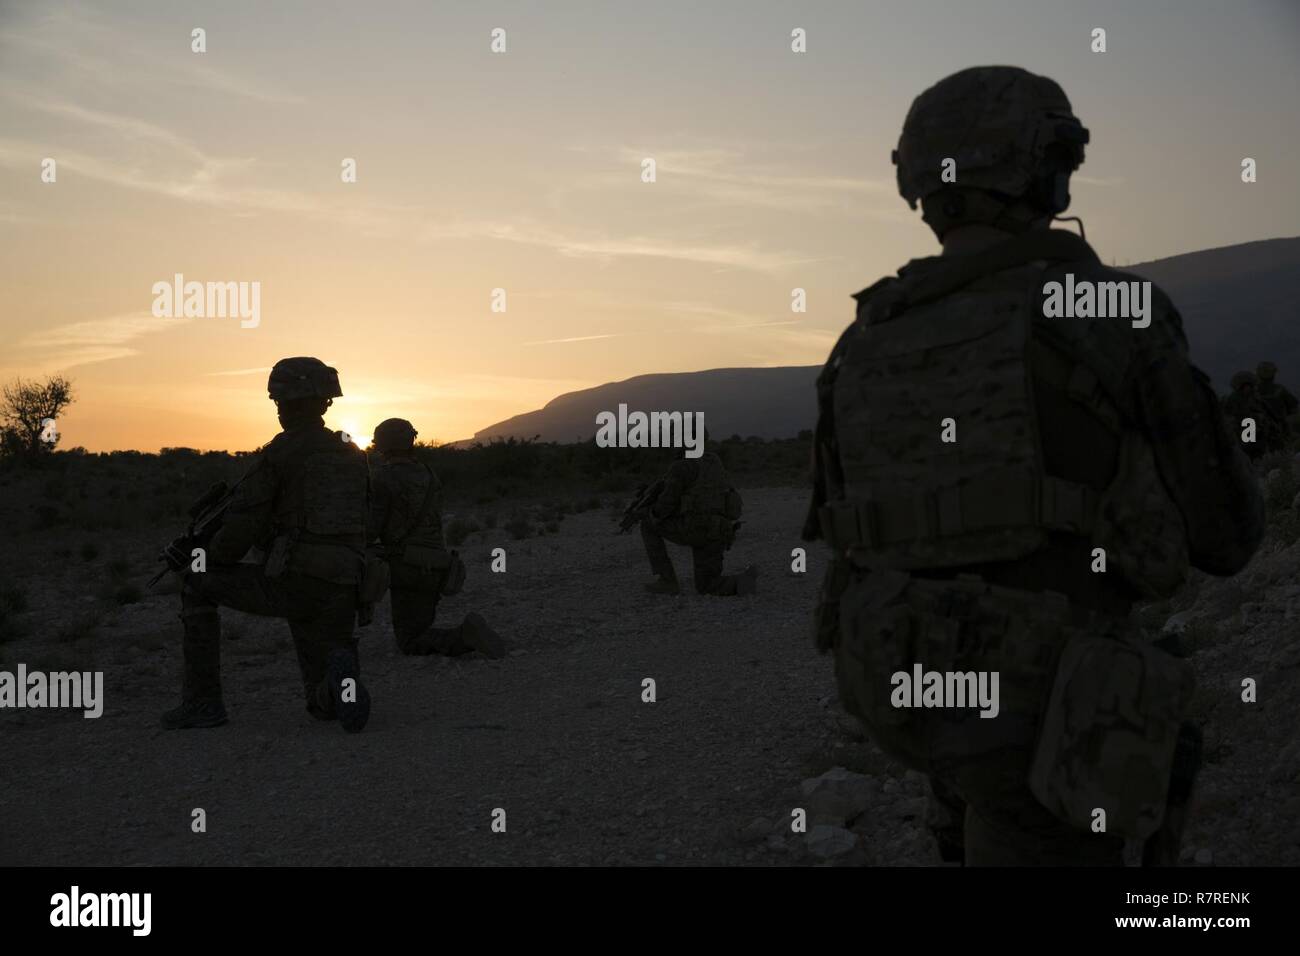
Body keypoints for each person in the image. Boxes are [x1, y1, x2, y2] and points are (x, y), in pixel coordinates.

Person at [804, 66, 1264, 865]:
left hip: (895, 681)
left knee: (985, 800)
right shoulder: (1107, 310)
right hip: (1046, 693)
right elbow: (1226, 536)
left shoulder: (864, 336)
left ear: (922, 186)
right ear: (1042, 170)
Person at [162, 357, 372, 733]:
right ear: (324, 402)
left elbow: (240, 532)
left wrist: (201, 556)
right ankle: (338, 687)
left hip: (295, 581)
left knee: (195, 582)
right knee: (321, 700)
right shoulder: (352, 453)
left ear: (283, 403)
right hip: (347, 584)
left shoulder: (280, 453)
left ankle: (202, 704)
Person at [367, 418, 505, 658]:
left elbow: (372, 529)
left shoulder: (382, 478)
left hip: (407, 565)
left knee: (411, 641)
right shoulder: (428, 473)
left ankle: (465, 635)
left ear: (383, 445)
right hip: (437, 563)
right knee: (418, 625)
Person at [639, 444, 757, 596]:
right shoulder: (714, 461)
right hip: (720, 530)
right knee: (707, 585)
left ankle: (667, 580)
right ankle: (740, 582)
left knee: (647, 525)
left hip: (697, 529)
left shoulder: (682, 466)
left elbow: (666, 504)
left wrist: (649, 512)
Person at [1222, 370, 1283, 458]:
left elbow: (1268, 412)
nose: (1247, 389)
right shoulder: (1234, 399)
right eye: (1245, 386)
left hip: (1256, 432)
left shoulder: (1255, 398)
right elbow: (1229, 416)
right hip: (1244, 431)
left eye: (1249, 386)